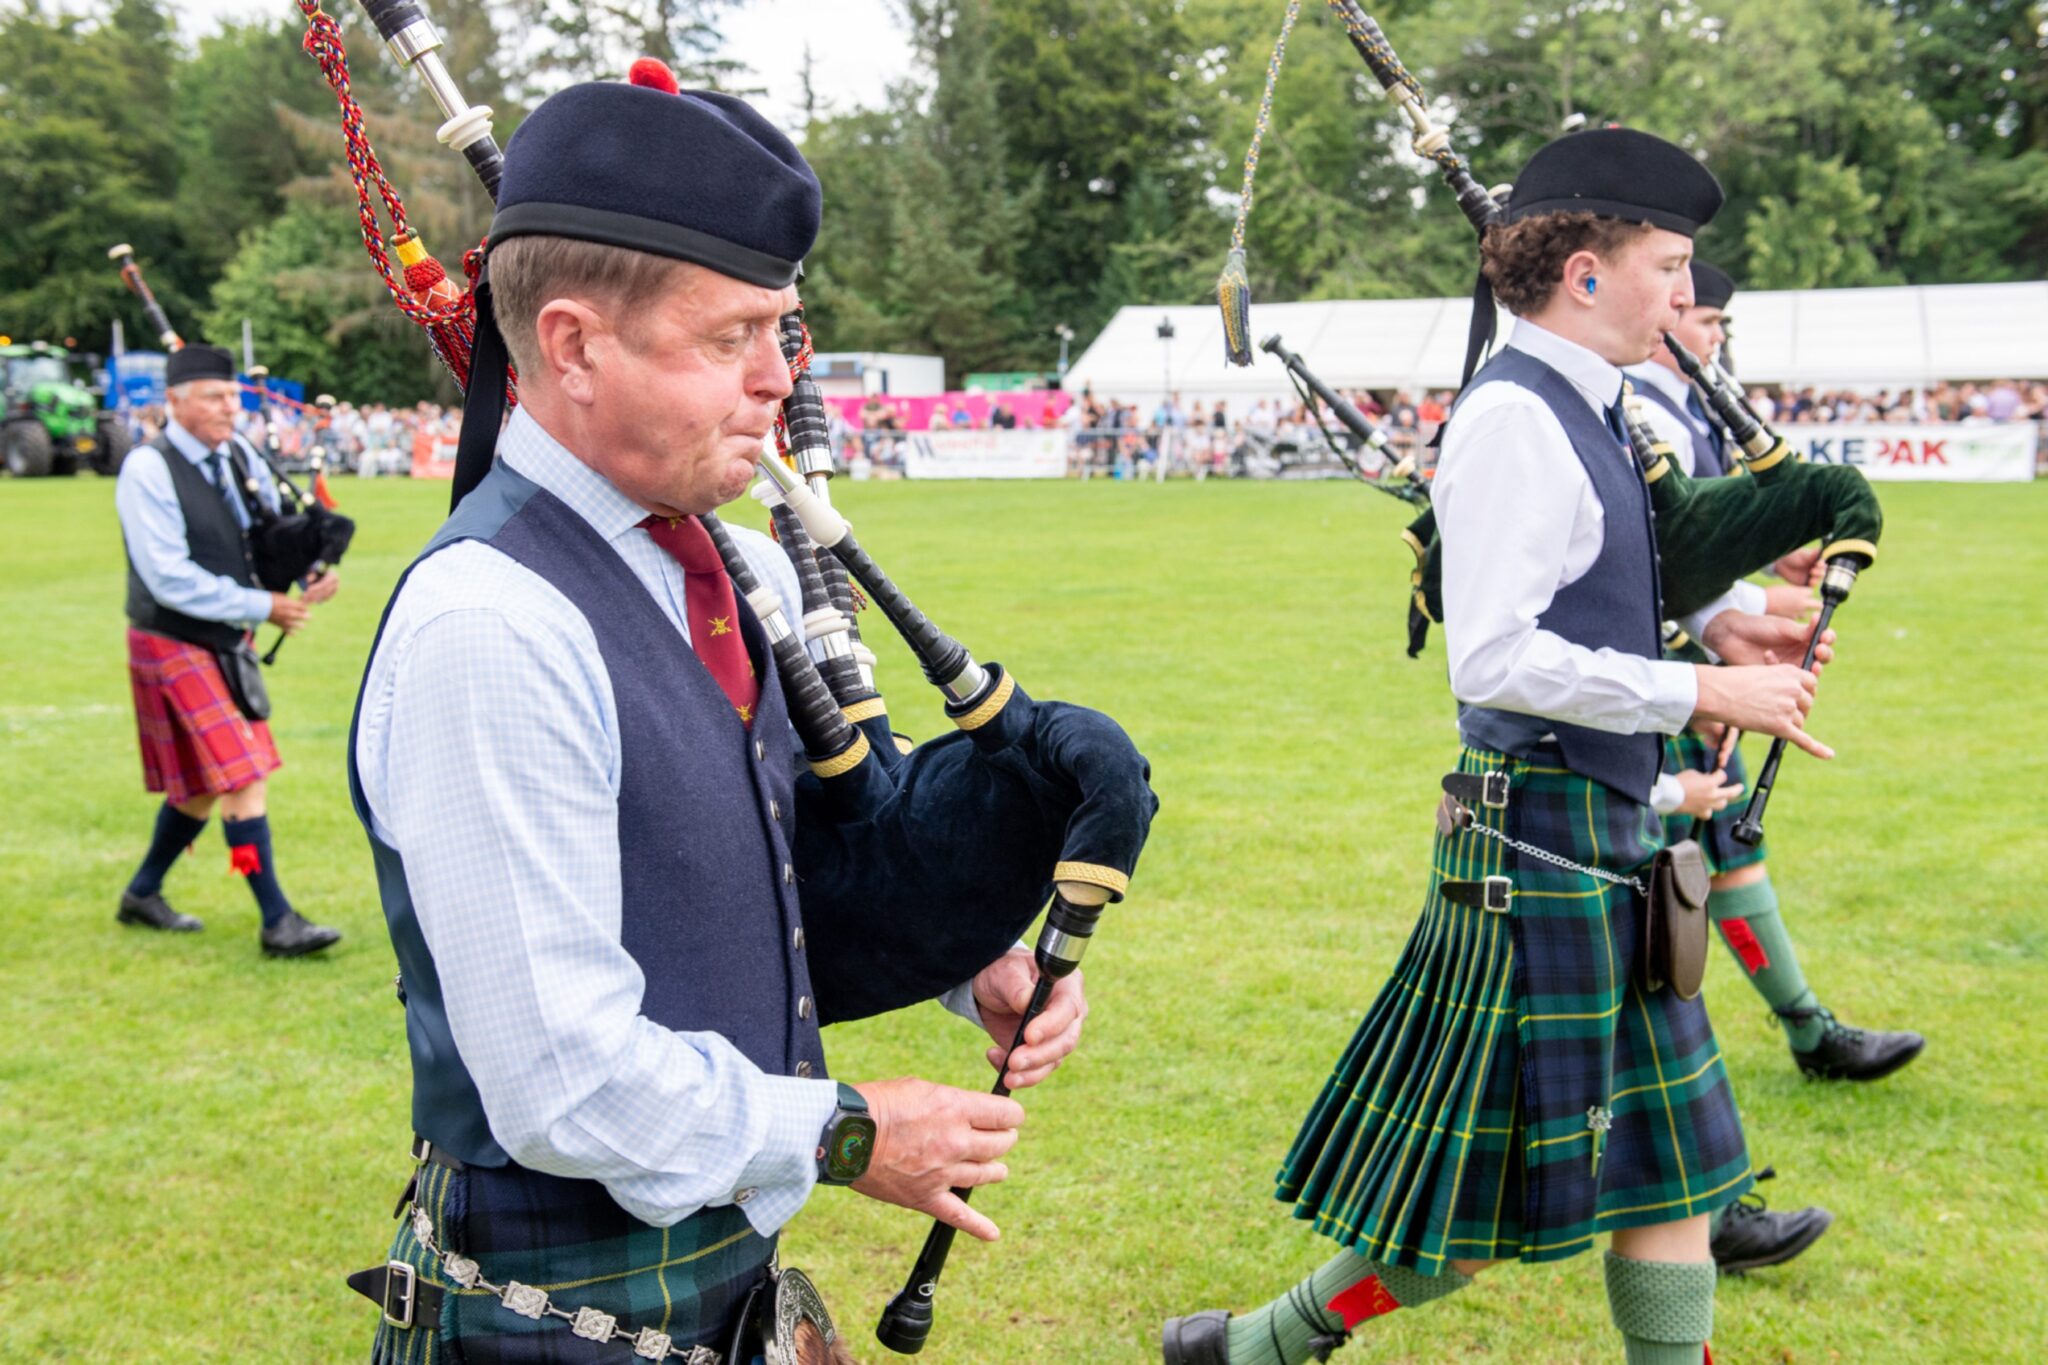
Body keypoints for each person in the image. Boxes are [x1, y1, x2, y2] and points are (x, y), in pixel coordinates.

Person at [346, 66, 1087, 1361]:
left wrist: (966, 957)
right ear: (572, 344)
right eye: (731, 336)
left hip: (712, 1273)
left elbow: (781, 836)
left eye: (785, 331)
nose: (779, 381)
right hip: (555, 1309)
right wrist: (848, 1130)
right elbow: (560, 1079)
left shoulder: (722, 565)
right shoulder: (494, 626)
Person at [1165, 129, 1838, 1365]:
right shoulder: (1515, 420)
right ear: (1584, 273)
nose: (1686, 295)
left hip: (1598, 838)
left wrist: (1727, 626)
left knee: (1674, 1186)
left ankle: (1250, 1350)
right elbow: (1492, 656)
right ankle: (1257, 1348)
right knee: (1467, 1223)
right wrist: (1692, 687)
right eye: (1668, 265)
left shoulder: (1593, 402)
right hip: (1535, 844)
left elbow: (1595, 592)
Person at [1628, 264, 1924, 1095]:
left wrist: (1768, 562)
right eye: (1704, 316)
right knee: (1677, 858)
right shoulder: (1642, 407)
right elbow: (1657, 566)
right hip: (1667, 666)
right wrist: (1721, 662)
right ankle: (1762, 1040)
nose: (1715, 333)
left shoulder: (1683, 402)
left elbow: (1703, 544)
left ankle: (1801, 1026)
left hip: (1693, 660)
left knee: (1715, 853)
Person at [113, 343, 343, 957]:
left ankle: (141, 893)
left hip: (224, 638)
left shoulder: (236, 453)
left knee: (200, 788)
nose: (229, 408)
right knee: (241, 774)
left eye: (233, 396)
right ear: (175, 402)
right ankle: (278, 922)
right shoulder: (148, 469)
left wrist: (310, 567)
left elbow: (269, 536)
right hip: (171, 637)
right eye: (215, 398)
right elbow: (168, 576)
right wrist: (261, 606)